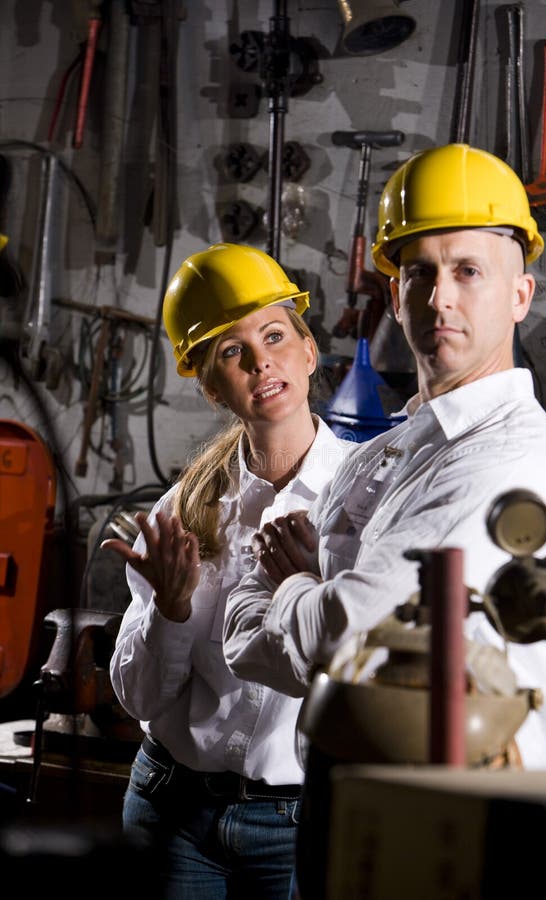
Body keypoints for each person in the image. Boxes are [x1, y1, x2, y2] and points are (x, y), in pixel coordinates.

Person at [223, 143, 546, 768]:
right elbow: (247, 651)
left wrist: (290, 584)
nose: (441, 297)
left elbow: (349, 648)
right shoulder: (384, 453)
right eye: (420, 272)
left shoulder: (505, 463)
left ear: (520, 296)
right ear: (395, 297)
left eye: (469, 271)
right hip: (344, 817)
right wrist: (308, 600)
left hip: (445, 828)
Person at [103, 242, 351, 900]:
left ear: (307, 350)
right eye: (232, 350)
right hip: (171, 806)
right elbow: (139, 700)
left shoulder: (363, 503)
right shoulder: (183, 511)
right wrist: (170, 610)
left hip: (298, 821)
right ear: (211, 384)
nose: (261, 360)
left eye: (274, 334)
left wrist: (315, 598)